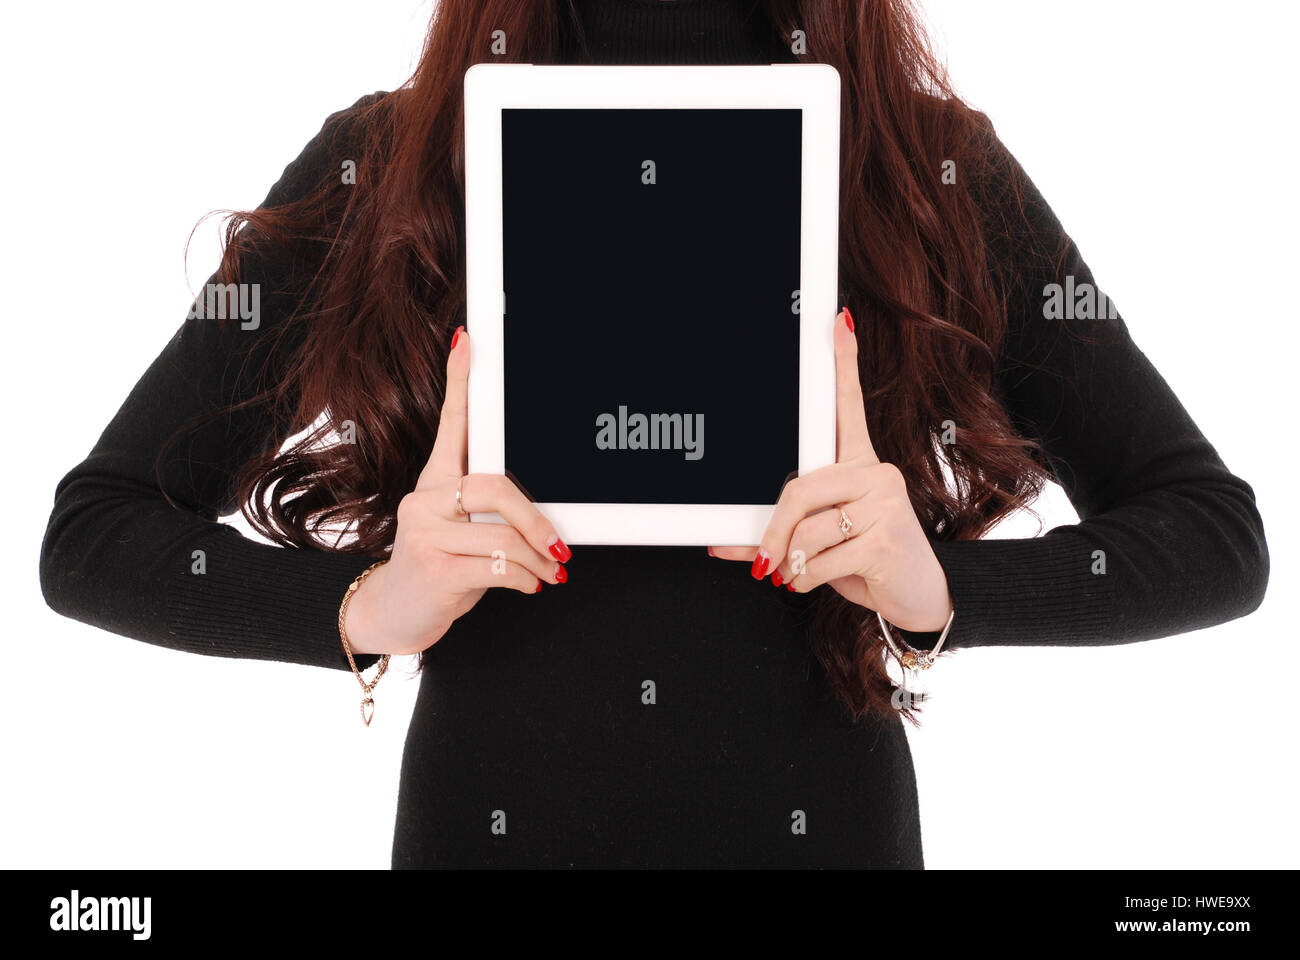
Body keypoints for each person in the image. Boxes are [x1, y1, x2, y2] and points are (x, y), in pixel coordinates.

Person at [39, 0, 1269, 869]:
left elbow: (1212, 534)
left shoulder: (921, 164)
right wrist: (365, 608)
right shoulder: (397, 159)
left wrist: (938, 587)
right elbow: (92, 535)